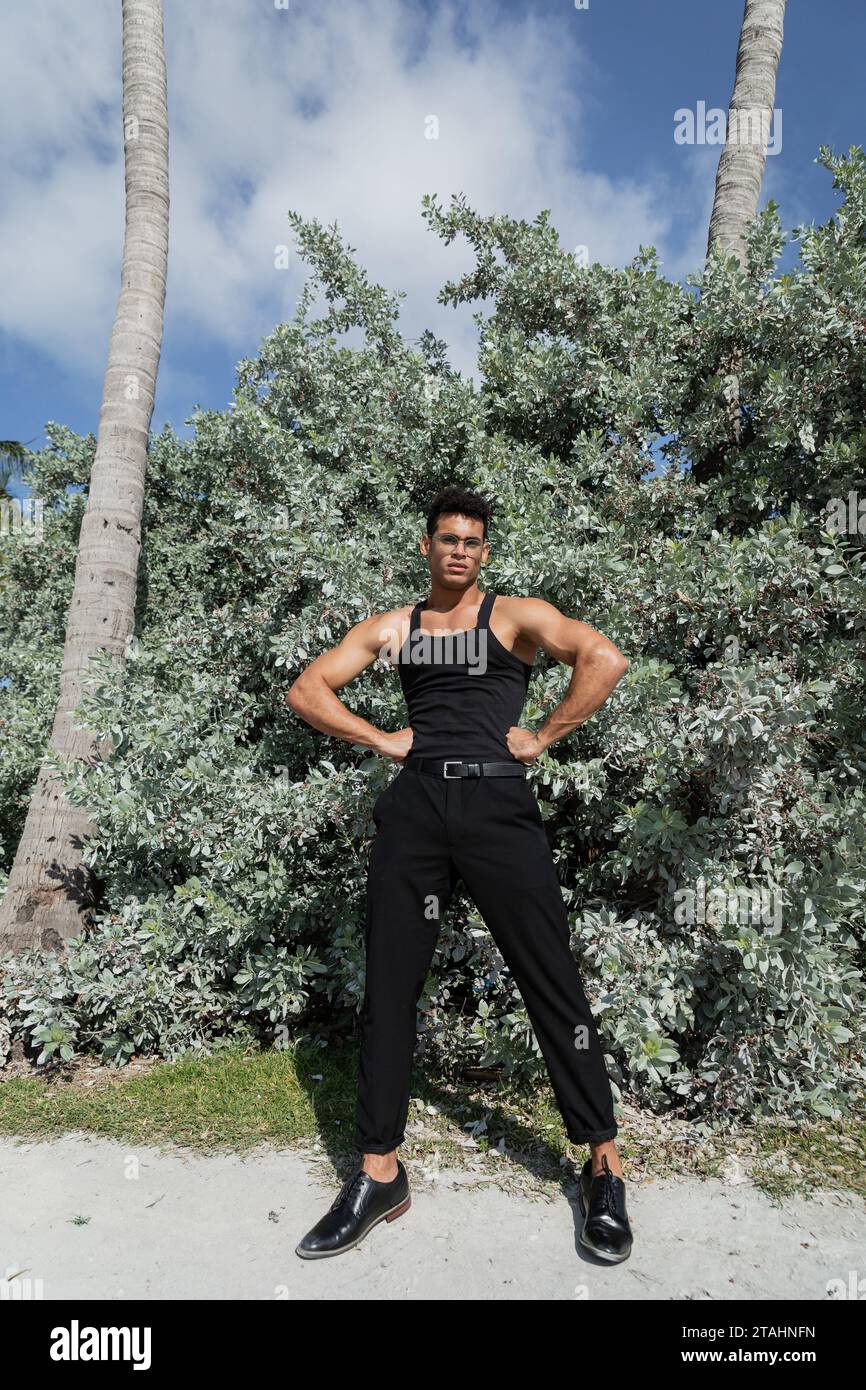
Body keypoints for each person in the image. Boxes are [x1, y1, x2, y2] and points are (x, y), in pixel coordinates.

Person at [286, 485, 632, 1262]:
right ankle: (379, 1172)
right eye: (448, 538)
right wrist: (380, 738)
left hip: (497, 809)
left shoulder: (514, 617)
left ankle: (603, 1165)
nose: (460, 550)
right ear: (426, 546)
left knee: (551, 980)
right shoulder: (396, 629)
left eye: (473, 541)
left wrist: (542, 733)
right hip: (415, 813)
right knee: (390, 986)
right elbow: (306, 689)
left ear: (485, 552)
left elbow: (604, 658)